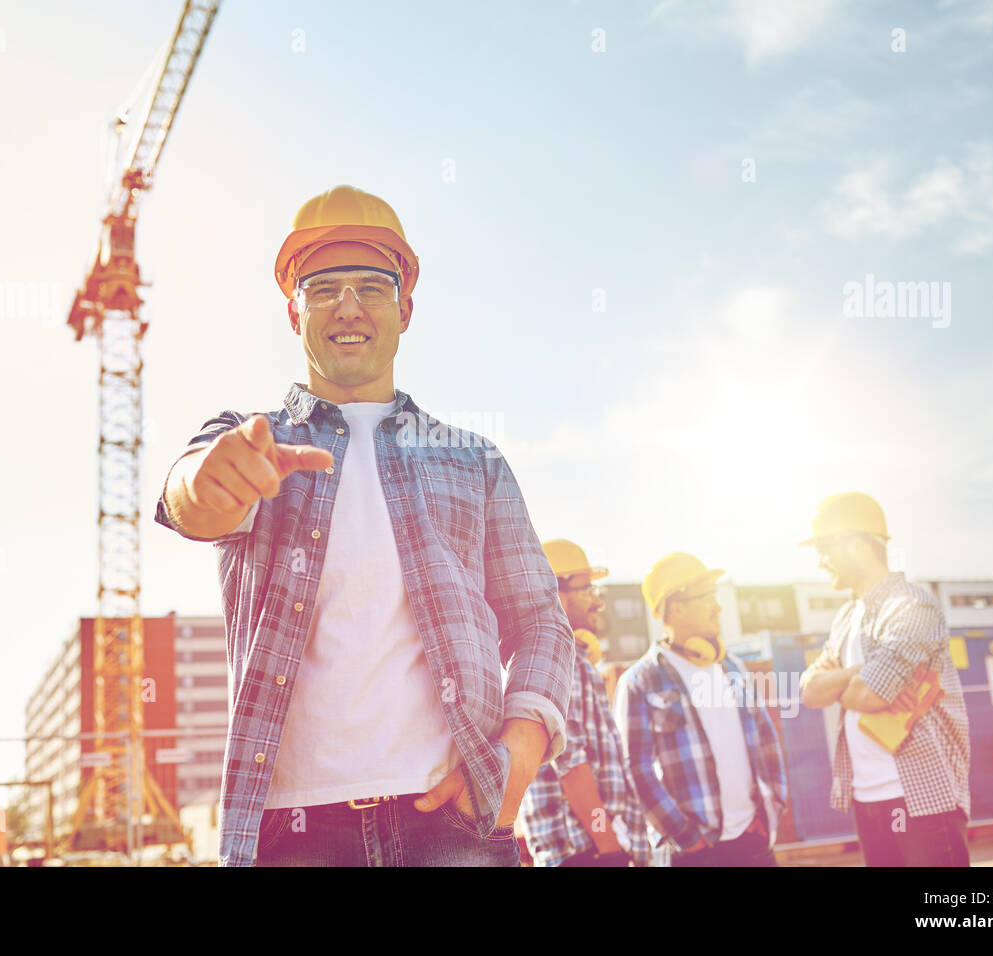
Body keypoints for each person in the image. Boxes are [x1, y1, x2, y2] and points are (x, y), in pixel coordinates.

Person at [154, 185, 572, 866]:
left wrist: (521, 750)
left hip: (452, 824)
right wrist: (206, 483)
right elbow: (191, 495)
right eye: (323, 289)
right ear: (295, 313)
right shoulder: (249, 441)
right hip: (293, 837)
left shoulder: (473, 460)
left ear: (404, 309)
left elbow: (540, 620)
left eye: (371, 287)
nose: (348, 307)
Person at [798, 493, 971, 867]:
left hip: (920, 797)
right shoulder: (845, 618)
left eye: (826, 547)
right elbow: (810, 691)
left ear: (857, 544)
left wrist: (849, 684)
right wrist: (857, 671)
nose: (820, 560)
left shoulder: (913, 606)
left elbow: (871, 695)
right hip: (867, 800)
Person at [616, 553, 787, 867]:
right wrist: (685, 837)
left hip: (752, 840)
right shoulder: (640, 681)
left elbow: (766, 738)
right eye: (707, 596)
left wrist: (772, 807)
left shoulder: (733, 667)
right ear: (676, 607)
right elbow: (636, 769)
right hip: (691, 852)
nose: (717, 605)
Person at [517, 540, 651, 867]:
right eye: (587, 589)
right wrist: (607, 844)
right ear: (556, 593)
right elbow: (572, 767)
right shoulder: (558, 660)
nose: (598, 601)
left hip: (593, 849)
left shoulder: (576, 662)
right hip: (589, 852)